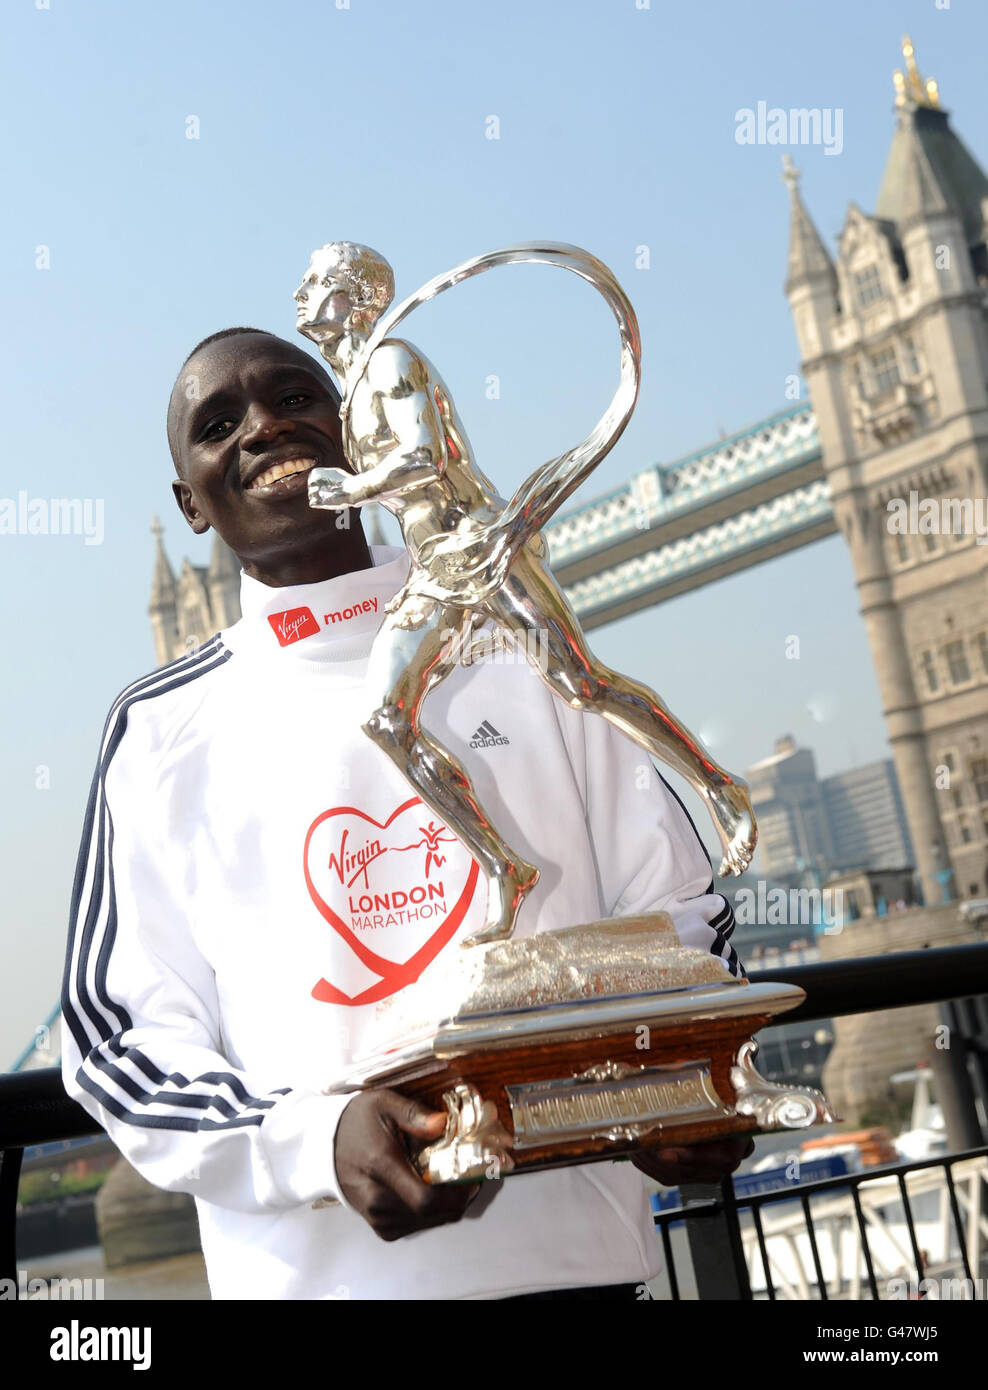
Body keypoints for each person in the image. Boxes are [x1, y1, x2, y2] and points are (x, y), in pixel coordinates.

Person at [61, 327, 750, 1301]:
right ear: (192, 506)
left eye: (299, 396)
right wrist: (318, 1141)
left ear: (363, 432)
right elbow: (119, 1042)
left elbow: (684, 921)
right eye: (219, 424)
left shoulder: (523, 647)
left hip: (584, 1281)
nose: (265, 425)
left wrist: (689, 1078)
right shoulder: (159, 729)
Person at [294, 242, 756, 946]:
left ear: (356, 297)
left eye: (316, 283)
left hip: (481, 544)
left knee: (582, 685)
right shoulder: (351, 389)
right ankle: (506, 868)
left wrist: (353, 488)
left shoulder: (391, 361)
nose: (302, 295)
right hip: (432, 569)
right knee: (387, 718)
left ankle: (720, 787)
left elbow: (430, 459)